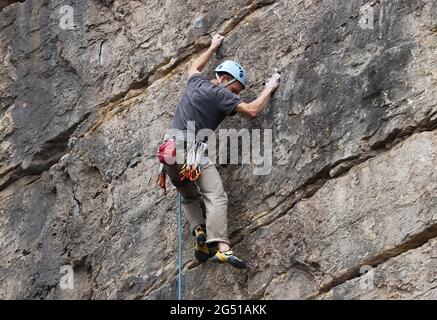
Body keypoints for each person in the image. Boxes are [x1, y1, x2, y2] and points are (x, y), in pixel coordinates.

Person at [164, 34, 280, 269]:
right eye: (235, 89)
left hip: (168, 152)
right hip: (190, 151)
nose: (236, 95)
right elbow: (252, 110)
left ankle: (199, 232)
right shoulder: (221, 94)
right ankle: (222, 248)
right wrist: (270, 87)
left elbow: (194, 66)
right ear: (224, 78)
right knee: (216, 195)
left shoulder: (195, 83)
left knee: (188, 194)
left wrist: (212, 46)